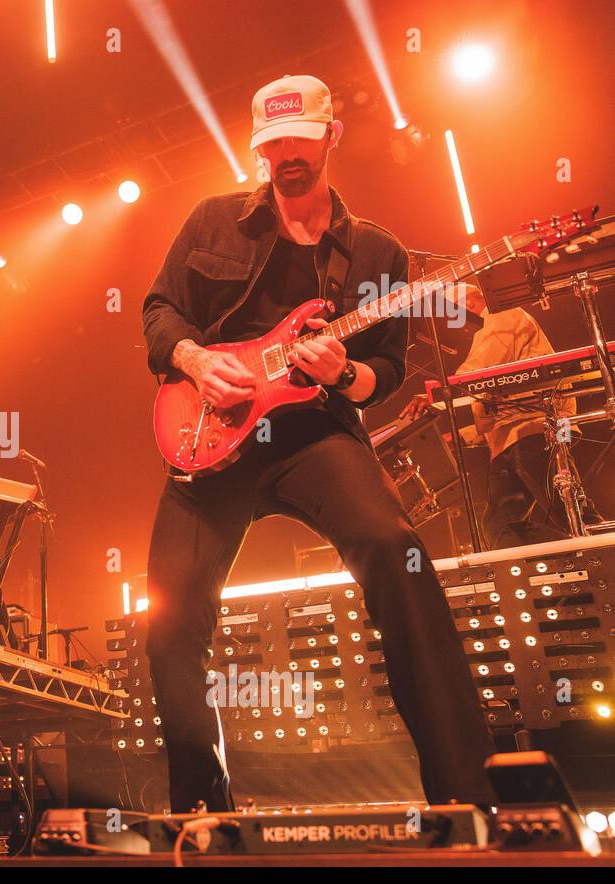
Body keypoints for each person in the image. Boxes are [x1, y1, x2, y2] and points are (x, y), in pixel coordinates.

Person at [141, 74, 495, 813]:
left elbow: (389, 369)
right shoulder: (212, 221)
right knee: (170, 617)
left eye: (299, 138)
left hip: (315, 434)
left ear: (331, 135)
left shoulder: (377, 251)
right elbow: (161, 309)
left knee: (396, 550)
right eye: (272, 144)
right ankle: (202, 813)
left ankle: (465, 799)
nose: (285, 155)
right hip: (214, 435)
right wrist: (197, 361)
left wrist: (350, 372)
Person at [400, 282, 602, 546]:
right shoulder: (493, 328)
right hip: (517, 435)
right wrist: (462, 436)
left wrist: (435, 396)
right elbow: (502, 406)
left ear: (468, 304)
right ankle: (553, 563)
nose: (452, 323)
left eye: (453, 313)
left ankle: (601, 554)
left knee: (571, 512)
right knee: (500, 527)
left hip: (538, 431)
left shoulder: (503, 317)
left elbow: (477, 372)